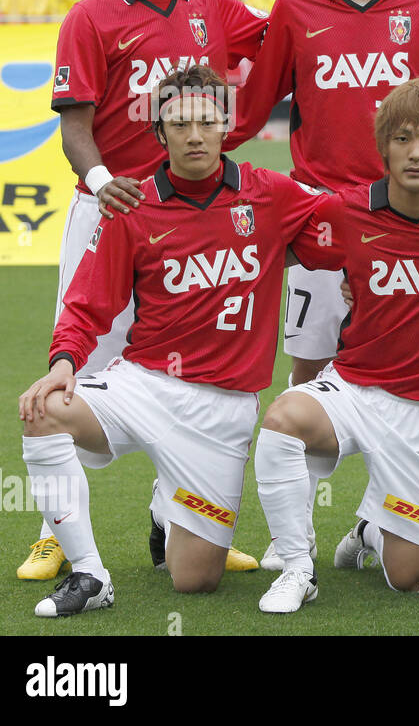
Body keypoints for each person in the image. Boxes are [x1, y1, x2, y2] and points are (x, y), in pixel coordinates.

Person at [227, 0, 419, 572]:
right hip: (325, 225)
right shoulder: (295, 7)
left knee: (407, 374)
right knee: (311, 374)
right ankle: (292, 533)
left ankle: (378, 522)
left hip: (413, 228)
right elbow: (249, 111)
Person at [18, 66, 337, 618]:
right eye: (180, 123)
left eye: (207, 121)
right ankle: (91, 575)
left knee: (194, 581)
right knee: (42, 411)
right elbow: (87, 299)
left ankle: (169, 511)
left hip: (223, 409)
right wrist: (65, 360)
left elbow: (356, 225)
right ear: (159, 133)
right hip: (143, 386)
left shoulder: (273, 196)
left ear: (227, 126)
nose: (194, 135)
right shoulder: (131, 205)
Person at [23, 0, 268, 581]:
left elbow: (286, 44)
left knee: (179, 376)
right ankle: (54, 535)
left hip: (193, 225)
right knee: (82, 370)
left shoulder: (213, 7)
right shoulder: (90, 17)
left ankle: (176, 525)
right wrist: (105, 189)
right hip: (110, 215)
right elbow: (75, 130)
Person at [253, 78, 419, 613]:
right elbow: (260, 237)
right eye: (402, 138)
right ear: (384, 146)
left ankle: (372, 529)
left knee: (412, 578)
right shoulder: (344, 211)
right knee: (283, 420)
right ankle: (297, 564)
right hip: (354, 388)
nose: (416, 152)